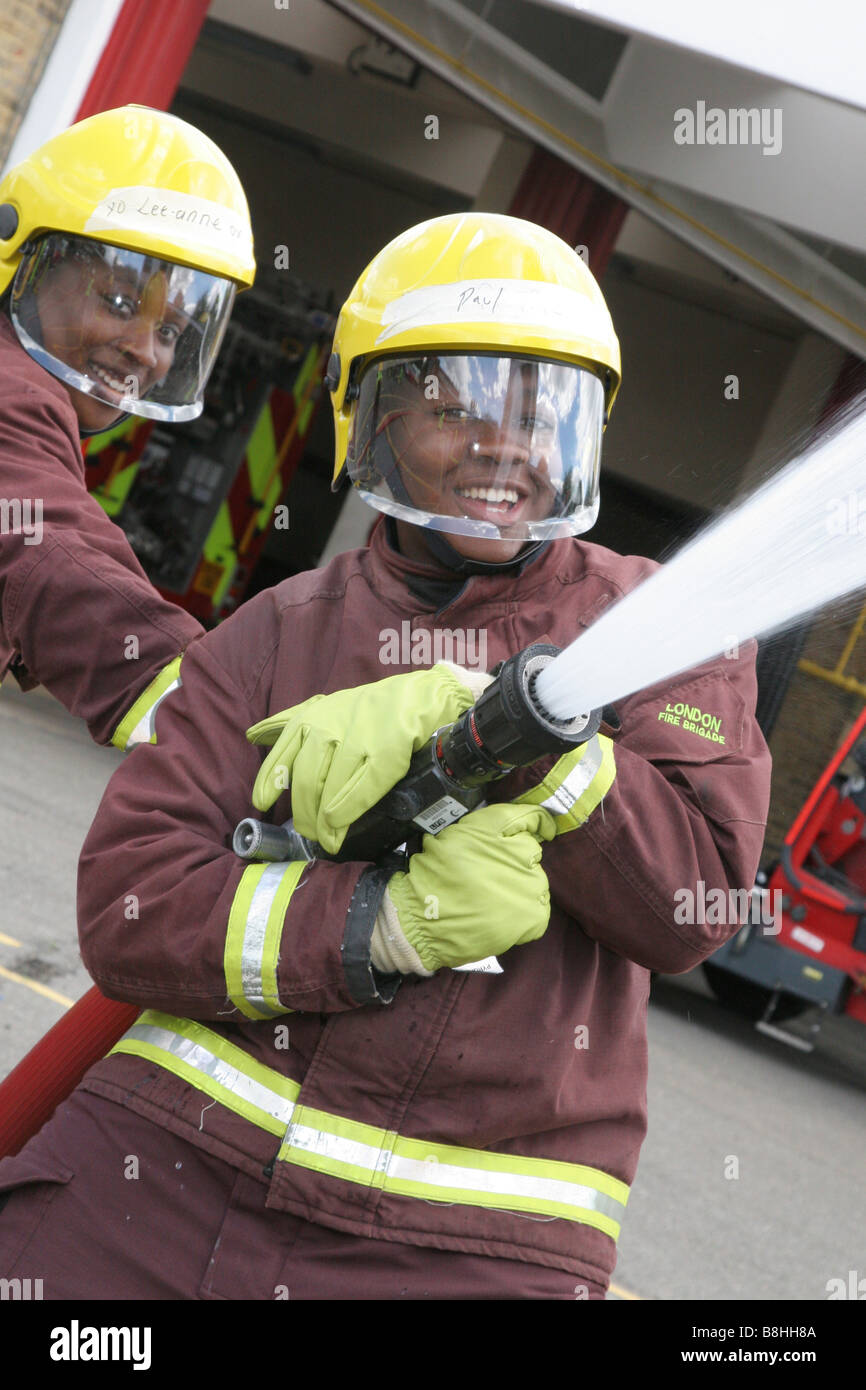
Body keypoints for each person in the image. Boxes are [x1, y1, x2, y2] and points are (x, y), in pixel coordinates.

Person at [0, 213, 771, 1300]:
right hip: (165, 1169)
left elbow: (689, 910)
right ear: (370, 419)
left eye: (541, 407)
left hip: (471, 1243)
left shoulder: (658, 628)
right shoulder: (276, 629)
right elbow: (129, 907)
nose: (505, 441)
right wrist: (373, 926)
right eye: (455, 404)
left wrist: (541, 744)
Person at [0, 105, 255, 747]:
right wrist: (219, 726)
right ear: (25, 264)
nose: (146, 350)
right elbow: (48, 551)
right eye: (118, 303)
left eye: (170, 331)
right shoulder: (11, 393)